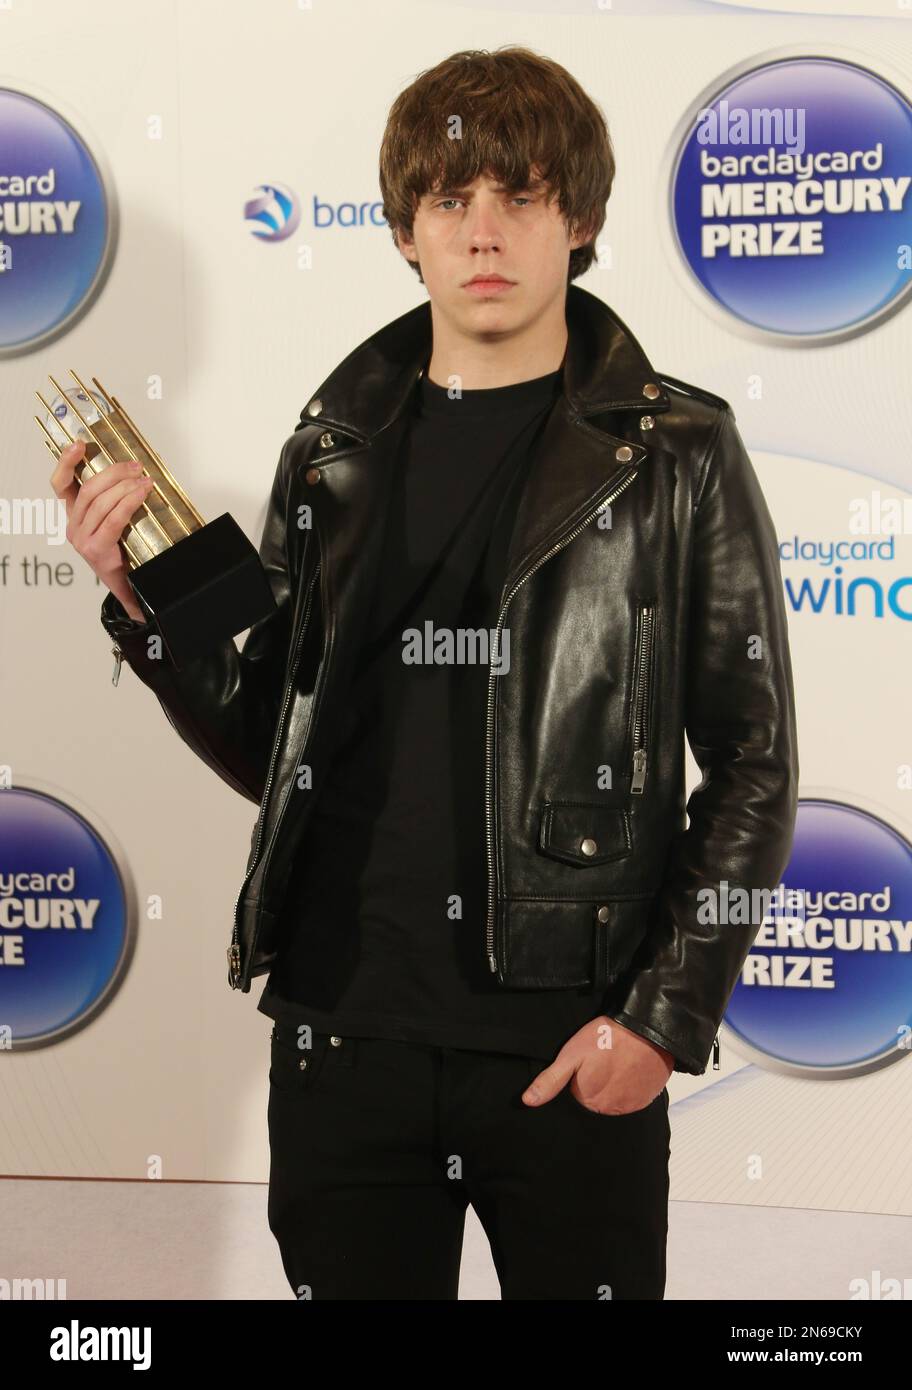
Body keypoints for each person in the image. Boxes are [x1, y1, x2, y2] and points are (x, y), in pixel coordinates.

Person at [52, 45, 799, 1300]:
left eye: (521, 194)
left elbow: (754, 764)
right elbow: (273, 746)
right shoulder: (332, 447)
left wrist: (662, 1023)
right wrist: (145, 606)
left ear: (584, 219)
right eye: (451, 201)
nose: (484, 231)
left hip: (568, 1048)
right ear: (405, 230)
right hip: (345, 1041)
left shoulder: (678, 450)